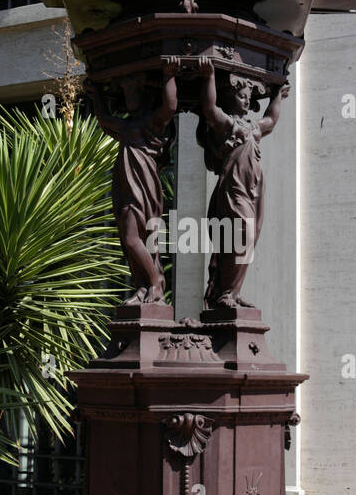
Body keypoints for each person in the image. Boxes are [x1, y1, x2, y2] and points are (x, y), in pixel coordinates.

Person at [195, 55, 289, 309]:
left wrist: (277, 95)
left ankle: (231, 293)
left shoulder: (252, 128)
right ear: (229, 98)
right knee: (240, 236)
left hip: (253, 193)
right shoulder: (229, 126)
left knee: (248, 241)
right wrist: (210, 76)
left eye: (248, 96)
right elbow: (209, 109)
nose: (247, 99)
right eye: (241, 95)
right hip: (232, 192)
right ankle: (224, 293)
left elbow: (270, 121)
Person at [88, 59, 180, 305]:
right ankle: (142, 287)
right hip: (125, 187)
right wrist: (95, 92)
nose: (129, 96)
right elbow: (104, 118)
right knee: (130, 241)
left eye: (134, 90)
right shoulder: (127, 126)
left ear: (145, 95)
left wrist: (169, 75)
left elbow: (170, 107)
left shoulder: (149, 123)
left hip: (142, 188)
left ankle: (155, 285)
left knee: (132, 238)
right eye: (126, 91)